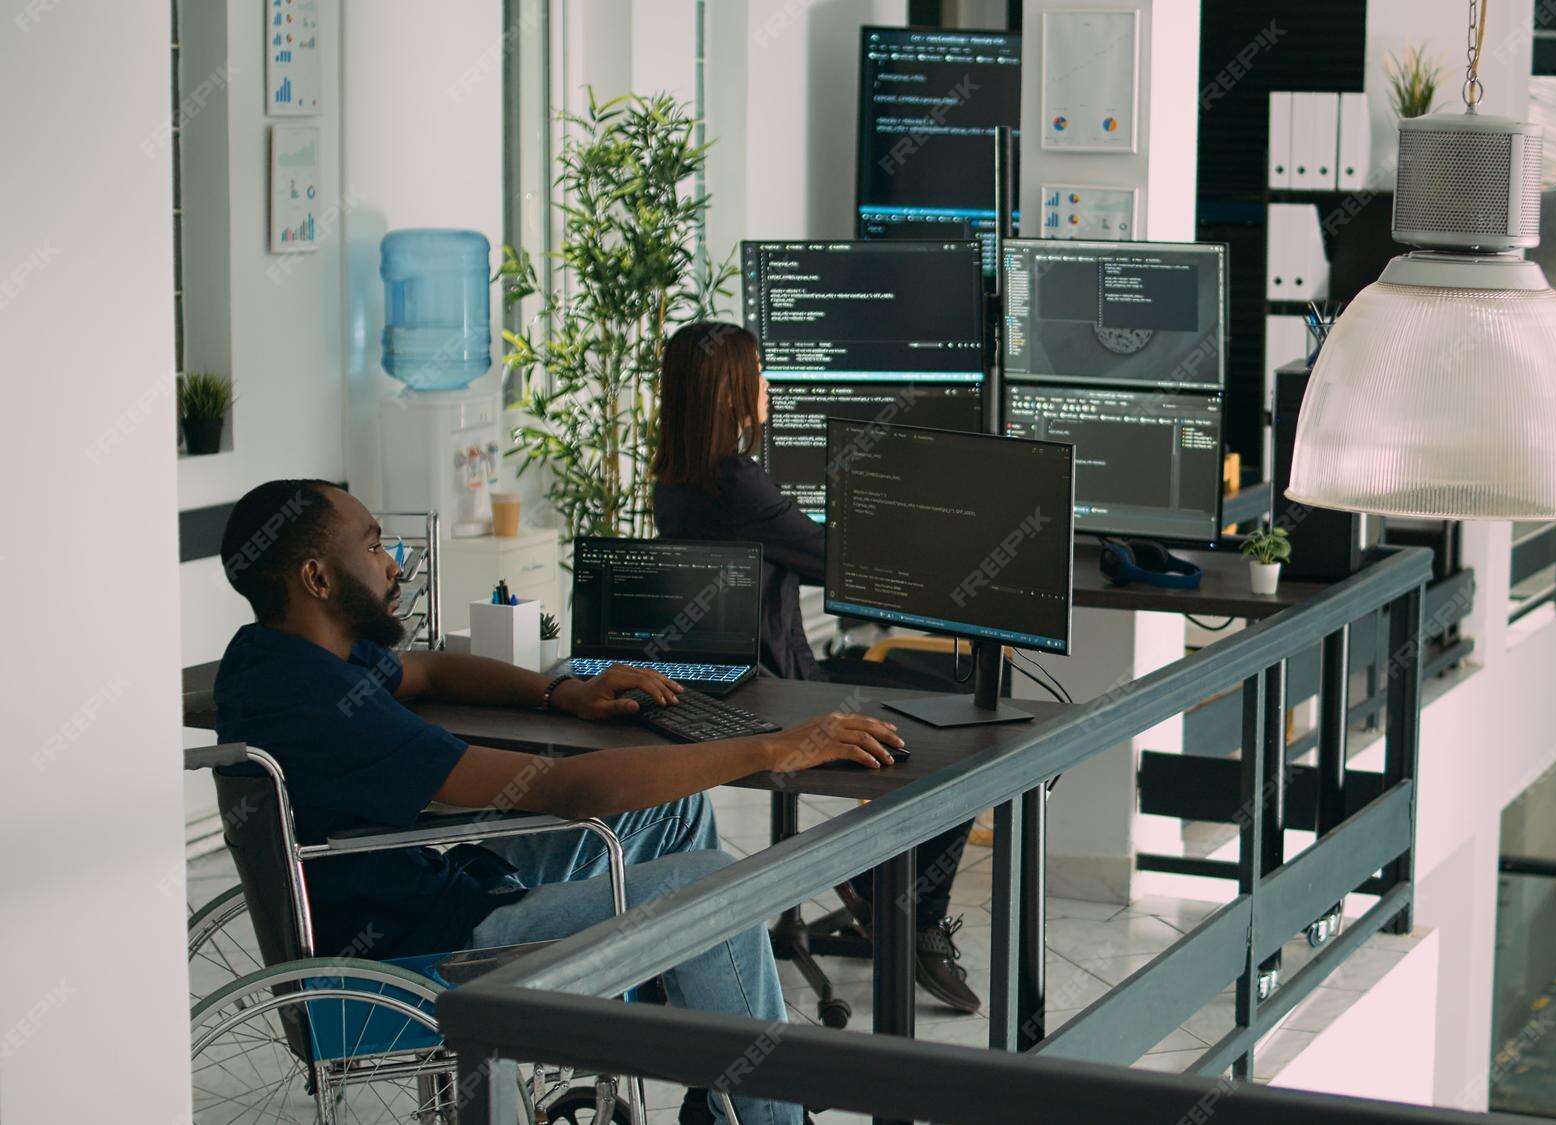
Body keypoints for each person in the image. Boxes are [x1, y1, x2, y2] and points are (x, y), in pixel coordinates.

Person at [212, 478, 905, 1125]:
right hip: (430, 960)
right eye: (370, 544)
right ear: (316, 577)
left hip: (425, 904)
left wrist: (558, 690)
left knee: (667, 812)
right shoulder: (334, 707)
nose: (393, 562)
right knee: (708, 888)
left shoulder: (271, 656)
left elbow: (422, 667)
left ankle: (716, 1094)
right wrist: (771, 748)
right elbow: (565, 789)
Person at [650, 320, 982, 1014]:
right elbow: (839, 562)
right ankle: (916, 918)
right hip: (783, 691)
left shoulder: (676, 481)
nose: (769, 388)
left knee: (935, 698)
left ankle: (874, 882)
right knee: (967, 735)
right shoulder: (737, 482)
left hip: (737, 682)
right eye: (759, 376)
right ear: (730, 394)